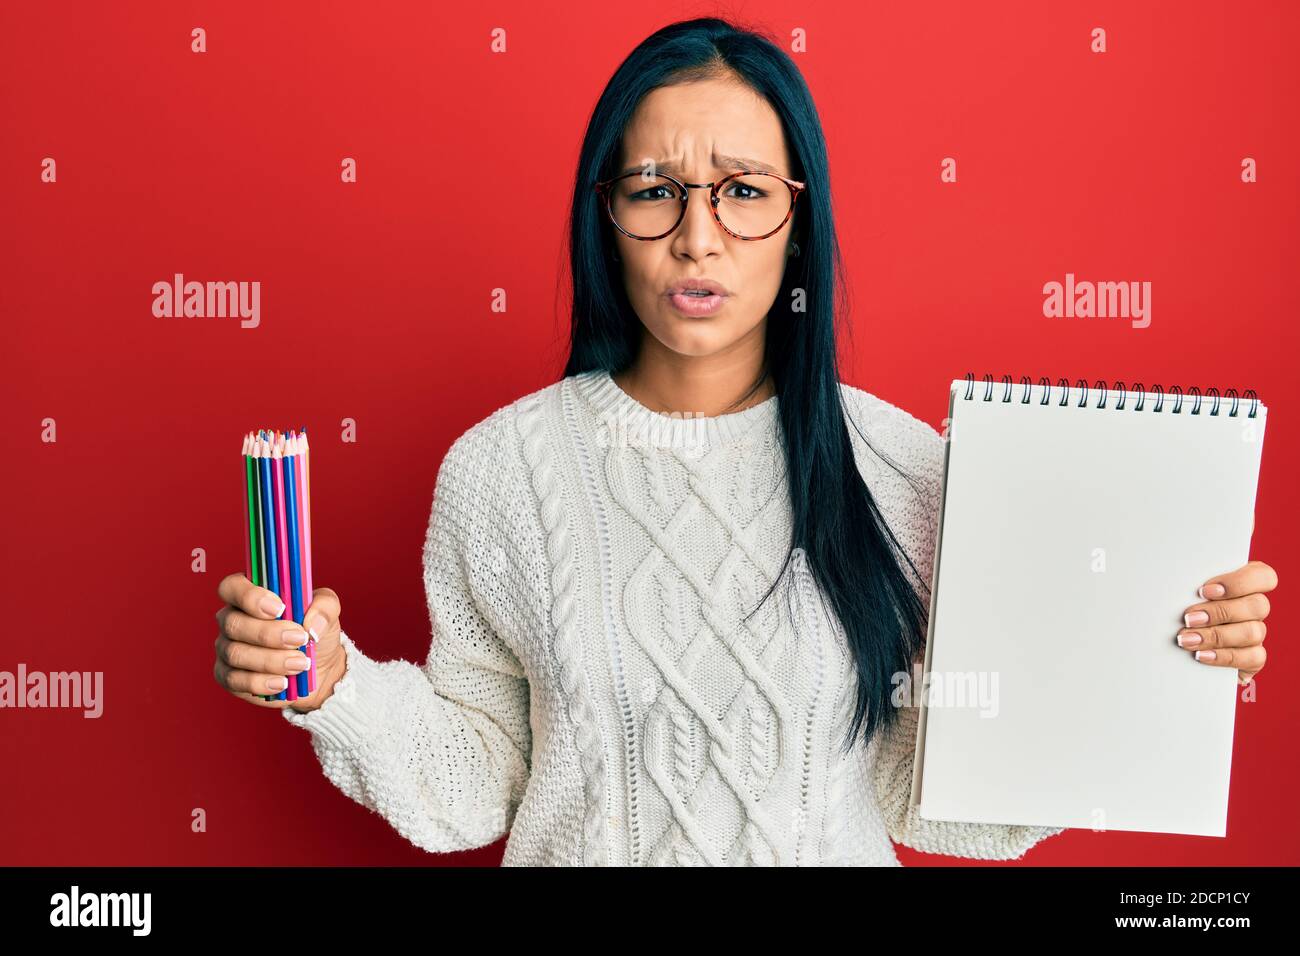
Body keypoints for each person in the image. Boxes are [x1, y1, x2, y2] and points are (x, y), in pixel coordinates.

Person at [212, 17, 1277, 866]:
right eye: (654, 190)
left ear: (799, 217)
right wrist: (337, 684)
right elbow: (479, 782)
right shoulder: (502, 471)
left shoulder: (908, 470)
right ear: (605, 215)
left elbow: (930, 795)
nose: (698, 233)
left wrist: (1160, 651)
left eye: (743, 191)